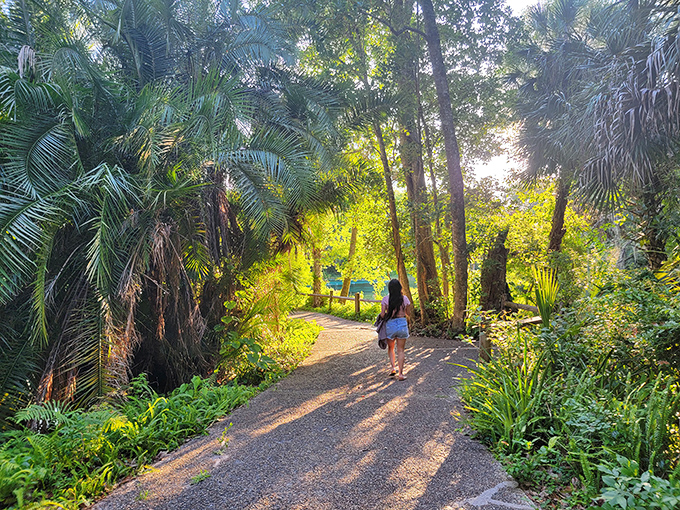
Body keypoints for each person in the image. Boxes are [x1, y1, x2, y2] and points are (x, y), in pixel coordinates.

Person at [380, 279, 412, 381]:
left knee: (391, 348)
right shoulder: (405, 299)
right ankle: (401, 374)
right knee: (401, 350)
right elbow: (409, 313)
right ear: (400, 288)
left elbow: (382, 314)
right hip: (402, 324)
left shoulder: (385, 299)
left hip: (390, 324)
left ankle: (393, 368)